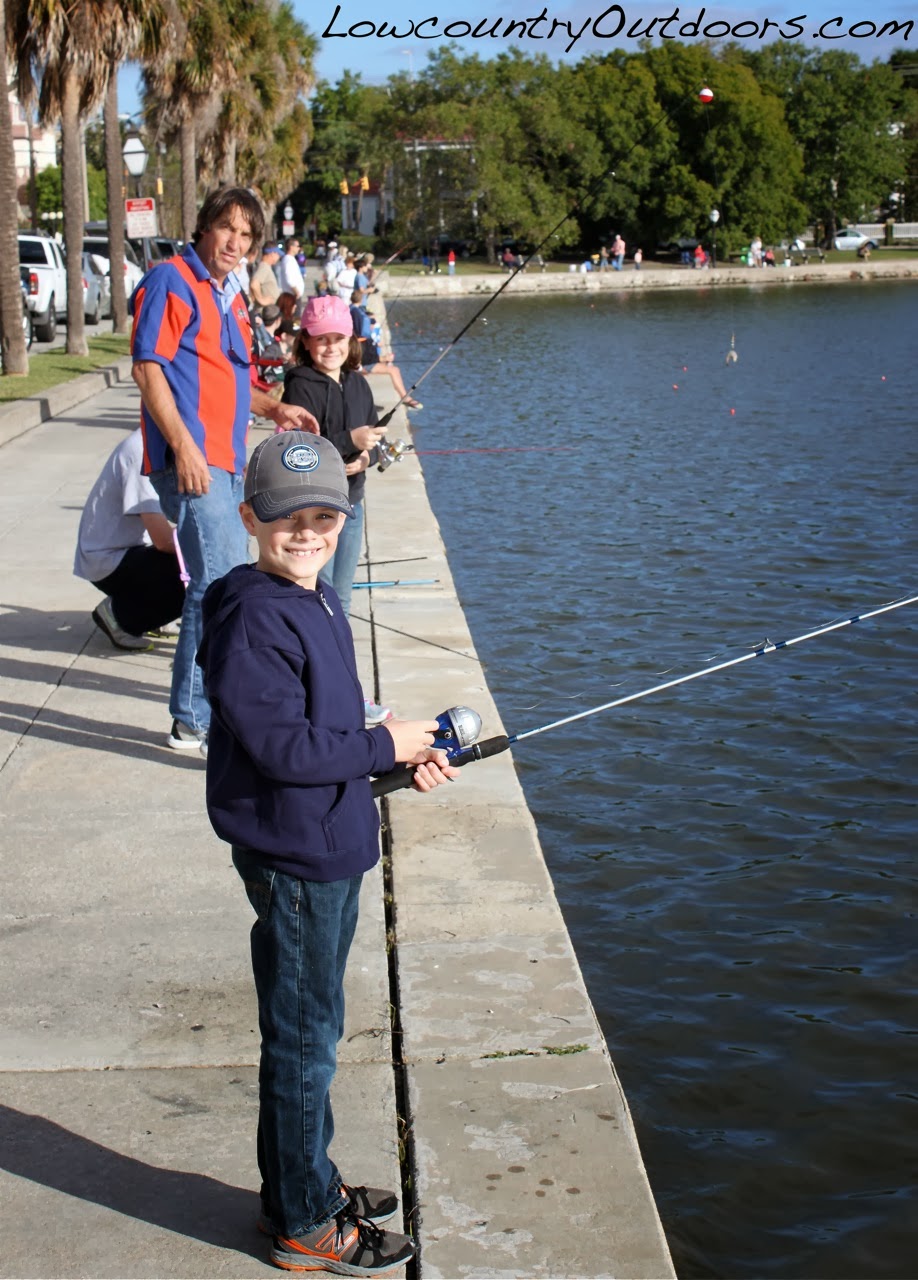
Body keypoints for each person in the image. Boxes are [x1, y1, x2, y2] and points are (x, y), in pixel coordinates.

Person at [196, 431, 459, 1275]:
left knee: (314, 1030)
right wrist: (380, 746)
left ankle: (300, 1184)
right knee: (305, 1040)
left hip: (327, 843)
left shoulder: (310, 598)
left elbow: (332, 725)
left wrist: (396, 752)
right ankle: (305, 1222)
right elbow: (286, 752)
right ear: (249, 518)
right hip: (298, 862)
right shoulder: (250, 619)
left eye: (323, 518)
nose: (306, 533)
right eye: (286, 519)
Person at [130, 185, 318, 752]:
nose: (235, 242)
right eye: (226, 228)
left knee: (233, 582)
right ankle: (193, 718)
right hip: (194, 463)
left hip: (228, 461)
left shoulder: (226, 294)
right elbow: (147, 369)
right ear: (204, 228)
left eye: (245, 233)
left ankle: (217, 703)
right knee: (213, 585)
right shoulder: (173, 280)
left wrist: (275, 406)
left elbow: (231, 381)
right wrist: (184, 448)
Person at [280, 295, 391, 722]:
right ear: (306, 342)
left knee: (341, 599)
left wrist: (366, 457)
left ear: (351, 340)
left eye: (338, 338)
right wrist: (349, 442)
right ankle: (312, 691)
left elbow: (373, 440)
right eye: (321, 338)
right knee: (314, 598)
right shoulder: (300, 384)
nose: (330, 346)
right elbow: (300, 448)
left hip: (353, 502)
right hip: (315, 510)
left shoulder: (359, 383)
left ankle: (342, 693)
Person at [74, 428, 185, 650]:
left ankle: (154, 618)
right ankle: (118, 616)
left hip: (127, 550)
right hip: (108, 559)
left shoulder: (154, 443)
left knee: (191, 560)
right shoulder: (142, 451)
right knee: (193, 568)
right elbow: (163, 540)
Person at [250, 244, 282, 309]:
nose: (279, 257)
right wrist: (261, 300)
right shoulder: (264, 267)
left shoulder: (265, 267)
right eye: (278, 254)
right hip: (265, 311)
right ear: (272, 254)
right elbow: (254, 284)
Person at [277, 237, 306, 302]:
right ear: (291, 247)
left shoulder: (291, 259)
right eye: (297, 246)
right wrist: (296, 291)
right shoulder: (288, 260)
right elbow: (289, 278)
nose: (299, 248)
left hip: (293, 294)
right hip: (292, 295)